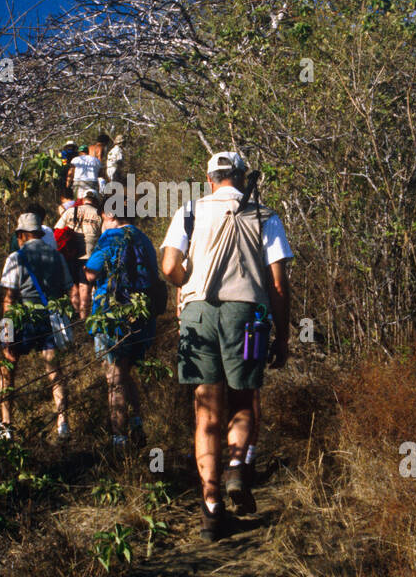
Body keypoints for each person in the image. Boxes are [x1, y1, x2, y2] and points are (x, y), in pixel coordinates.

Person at [160, 151, 292, 541]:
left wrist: (187, 280)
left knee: (207, 413)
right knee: (245, 400)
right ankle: (237, 467)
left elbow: (169, 267)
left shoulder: (189, 211)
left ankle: (212, 507)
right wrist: (282, 336)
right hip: (247, 317)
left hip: (199, 314)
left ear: (209, 178)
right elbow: (279, 284)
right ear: (240, 175)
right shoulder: (265, 216)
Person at [84, 204, 161, 447]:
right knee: (125, 373)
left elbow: (91, 273)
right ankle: (137, 424)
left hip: (112, 317)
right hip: (142, 317)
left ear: (109, 216)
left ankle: (119, 440)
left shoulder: (111, 237)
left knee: (114, 378)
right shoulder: (144, 238)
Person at [0, 212, 74, 441]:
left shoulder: (15, 258)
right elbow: (67, 288)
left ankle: (6, 425)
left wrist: (5, 335)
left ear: (21, 235)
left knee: (7, 370)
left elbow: (9, 300)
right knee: (54, 370)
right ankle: (63, 423)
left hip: (23, 318)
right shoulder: (57, 257)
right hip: (50, 318)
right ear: (39, 233)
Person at [54, 188, 103, 323]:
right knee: (85, 288)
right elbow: (104, 236)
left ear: (82, 198)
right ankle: (84, 320)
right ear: (96, 200)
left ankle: (73, 319)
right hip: (89, 257)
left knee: (73, 287)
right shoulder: (99, 215)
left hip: (70, 255)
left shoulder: (70, 211)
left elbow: (57, 230)